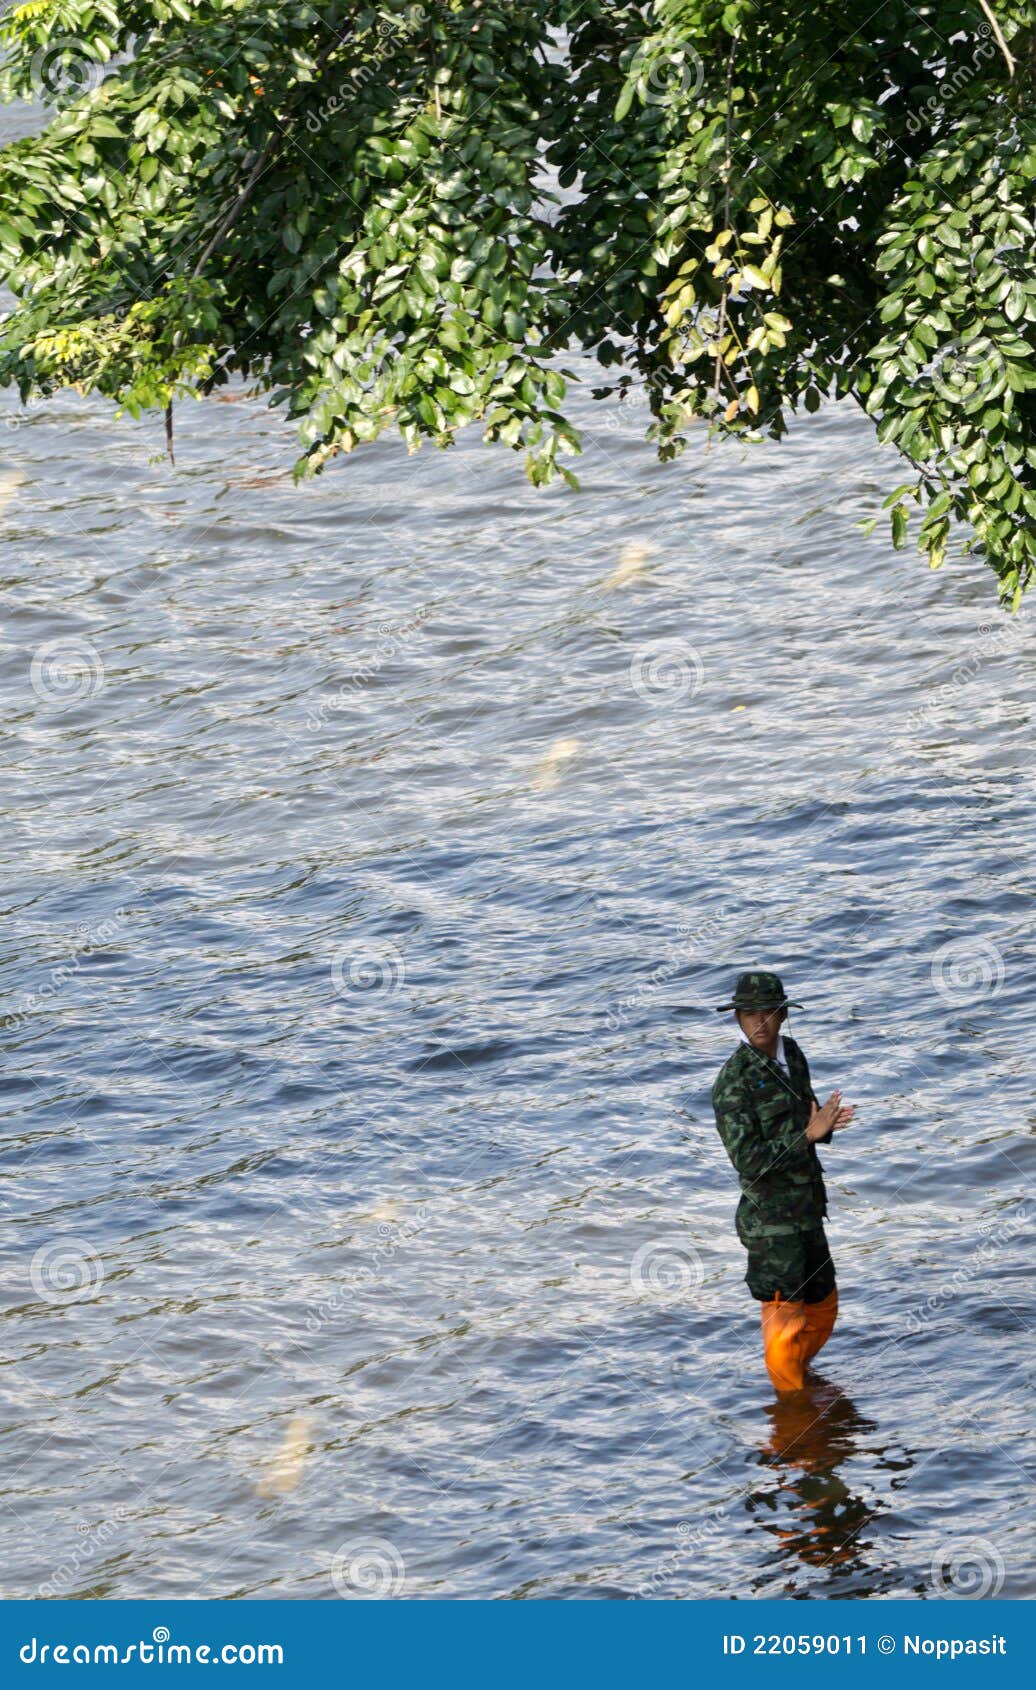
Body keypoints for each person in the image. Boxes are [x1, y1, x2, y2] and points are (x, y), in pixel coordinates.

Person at [711, 971, 854, 1393]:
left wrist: (824, 1127)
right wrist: (807, 1135)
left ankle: (799, 1385)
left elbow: (805, 1123)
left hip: (808, 1209)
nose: (760, 1024)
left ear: (782, 1015)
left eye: (769, 1013)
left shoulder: (791, 1053)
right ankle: (791, 1419)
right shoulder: (732, 1083)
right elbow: (749, 1161)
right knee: (784, 1324)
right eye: (748, 1014)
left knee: (824, 1306)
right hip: (771, 1223)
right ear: (737, 1018)